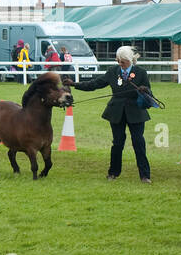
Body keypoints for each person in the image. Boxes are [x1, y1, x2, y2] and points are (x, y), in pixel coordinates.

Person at [64, 46, 153, 183]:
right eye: (118, 61)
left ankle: (145, 175)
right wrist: (75, 84)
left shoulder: (141, 73)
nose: (120, 64)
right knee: (117, 143)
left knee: (138, 142)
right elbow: (95, 84)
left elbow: (150, 95)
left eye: (123, 62)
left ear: (130, 60)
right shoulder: (113, 71)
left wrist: (144, 90)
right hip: (116, 112)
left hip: (135, 112)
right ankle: (113, 173)